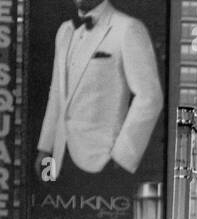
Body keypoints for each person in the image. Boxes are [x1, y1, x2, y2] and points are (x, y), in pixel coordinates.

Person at [35, 0, 164, 187]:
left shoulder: (128, 28)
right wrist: (44, 148)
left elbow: (150, 97)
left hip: (103, 161)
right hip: (59, 158)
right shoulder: (65, 30)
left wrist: (122, 156)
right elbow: (57, 93)